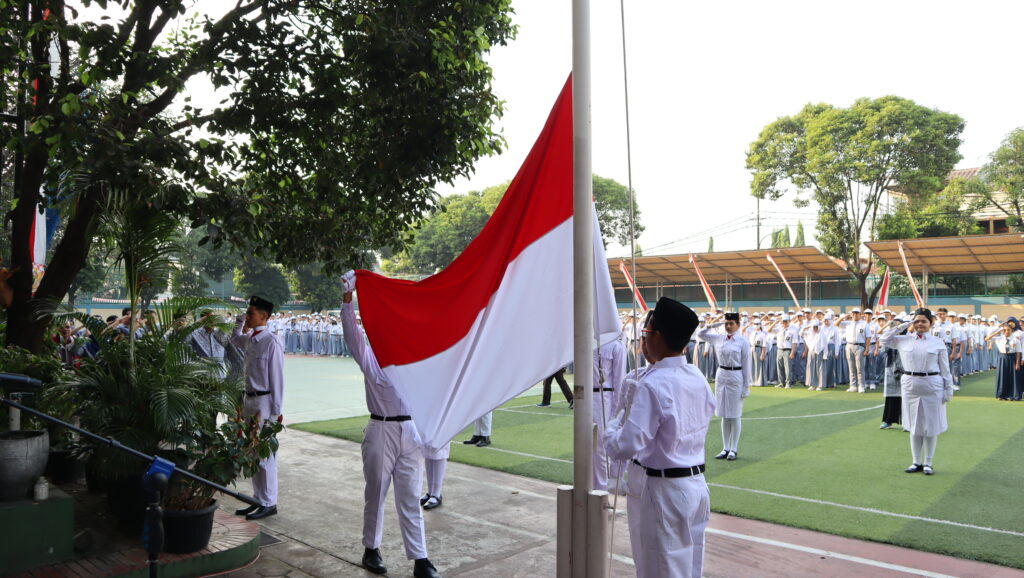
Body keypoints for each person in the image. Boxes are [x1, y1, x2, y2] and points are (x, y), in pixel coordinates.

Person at [604, 297, 715, 578]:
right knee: (690, 568)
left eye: (646, 333)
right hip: (696, 485)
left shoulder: (653, 384)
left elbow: (626, 445)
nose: (643, 340)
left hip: (665, 490)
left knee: (659, 568)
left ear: (658, 337)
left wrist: (612, 428)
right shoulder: (696, 376)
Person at [339, 272, 441, 578]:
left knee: (411, 497)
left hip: (410, 431)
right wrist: (348, 299)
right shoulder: (371, 358)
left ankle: (420, 559)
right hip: (381, 429)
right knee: (376, 493)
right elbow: (352, 335)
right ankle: (371, 549)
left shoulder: (414, 361)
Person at [878, 308, 954, 475]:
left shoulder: (937, 342)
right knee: (913, 425)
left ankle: (928, 463)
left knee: (931, 425)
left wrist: (948, 389)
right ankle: (916, 461)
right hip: (910, 384)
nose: (920, 324)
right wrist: (903, 325)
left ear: (930, 323)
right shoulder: (903, 340)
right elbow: (884, 338)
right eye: (917, 321)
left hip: (932, 384)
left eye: (924, 321)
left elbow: (945, 369)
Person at [230, 296, 285, 520]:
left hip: (264, 402)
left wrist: (276, 412)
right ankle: (258, 499)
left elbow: (277, 379)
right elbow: (234, 339)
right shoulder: (251, 339)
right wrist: (239, 321)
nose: (248, 316)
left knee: (265, 455)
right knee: (253, 453)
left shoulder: (271, 341)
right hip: (249, 400)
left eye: (251, 313)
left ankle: (269, 502)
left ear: (264, 316)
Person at [697, 312, 750, 460]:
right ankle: (725, 447)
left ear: (738, 325)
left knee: (735, 414)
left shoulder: (742, 341)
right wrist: (713, 324)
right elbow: (701, 334)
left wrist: (746, 386)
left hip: (736, 375)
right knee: (723, 414)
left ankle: (734, 448)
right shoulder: (718, 338)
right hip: (721, 375)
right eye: (726, 323)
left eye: (731, 323)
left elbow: (746, 364)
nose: (728, 326)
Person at [592, 337, 627, 492]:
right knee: (585, 445)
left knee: (600, 447)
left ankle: (601, 491)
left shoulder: (616, 345)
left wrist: (618, 410)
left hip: (603, 397)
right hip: (584, 395)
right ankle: (588, 487)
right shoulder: (586, 339)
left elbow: (620, 379)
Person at [880, 316, 906, 429]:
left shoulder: (907, 339)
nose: (897, 328)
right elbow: (883, 350)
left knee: (906, 397)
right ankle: (889, 421)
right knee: (891, 396)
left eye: (899, 325)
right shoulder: (889, 339)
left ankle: (907, 423)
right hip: (890, 368)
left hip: (905, 370)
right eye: (895, 325)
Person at [985, 319, 1020, 401]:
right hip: (1002, 358)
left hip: (1012, 358)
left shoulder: (1016, 339)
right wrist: (997, 332)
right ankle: (1001, 395)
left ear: (1012, 330)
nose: (1006, 332)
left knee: (1011, 377)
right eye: (1005, 330)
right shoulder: (999, 338)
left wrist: (1017, 363)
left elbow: (1018, 352)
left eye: (1008, 330)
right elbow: (987, 339)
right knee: (1002, 376)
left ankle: (1011, 395)